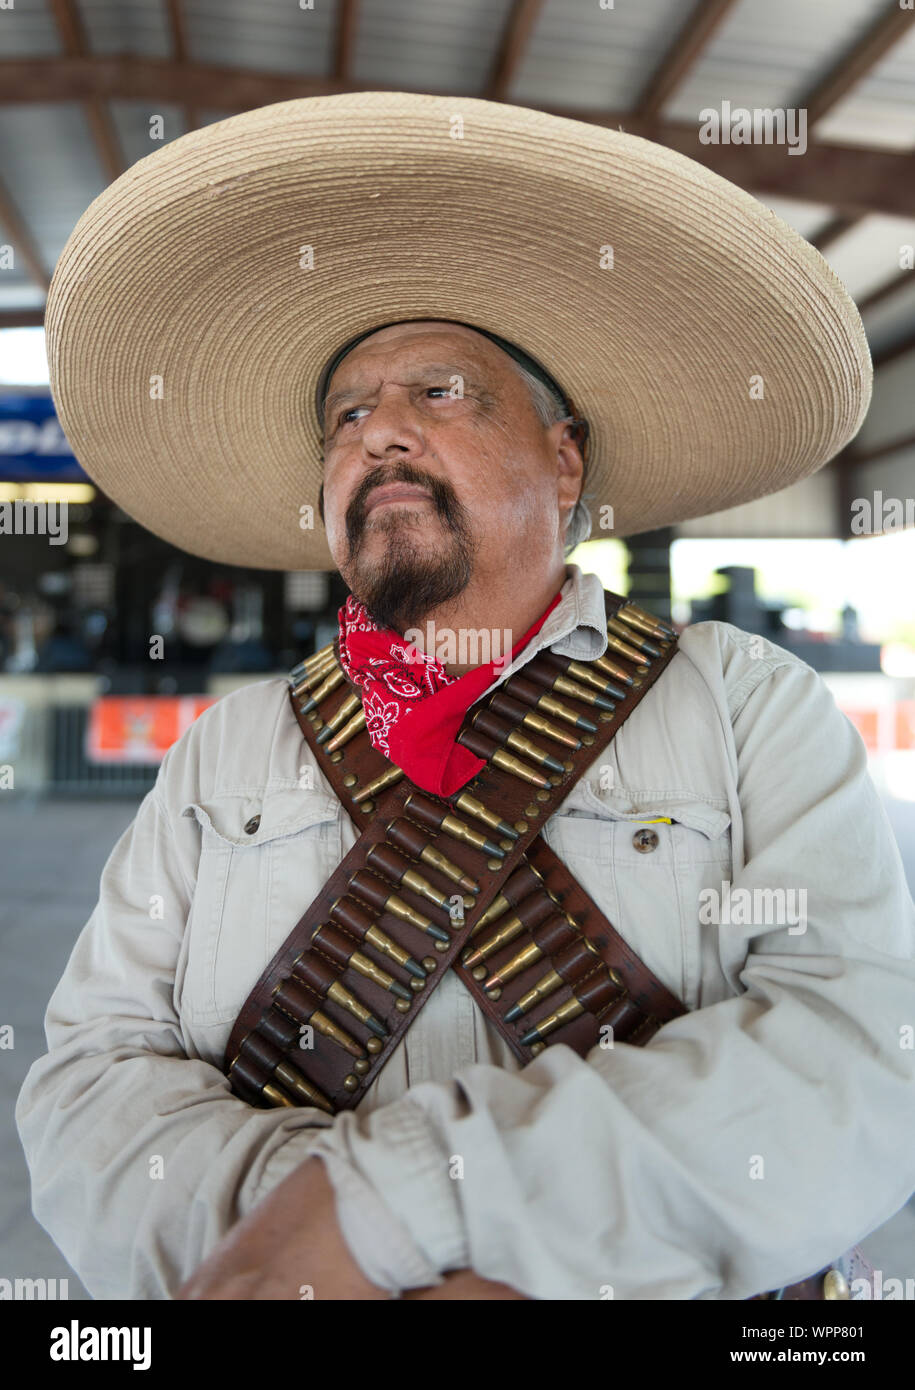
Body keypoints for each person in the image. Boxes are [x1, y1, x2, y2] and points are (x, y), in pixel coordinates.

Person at [17, 92, 915, 1301]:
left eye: (439, 393)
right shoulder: (231, 747)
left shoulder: (746, 704)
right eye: (345, 414)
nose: (377, 432)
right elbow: (89, 1075)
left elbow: (859, 1059)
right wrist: (310, 1262)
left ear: (564, 457)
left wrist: (374, 1211)